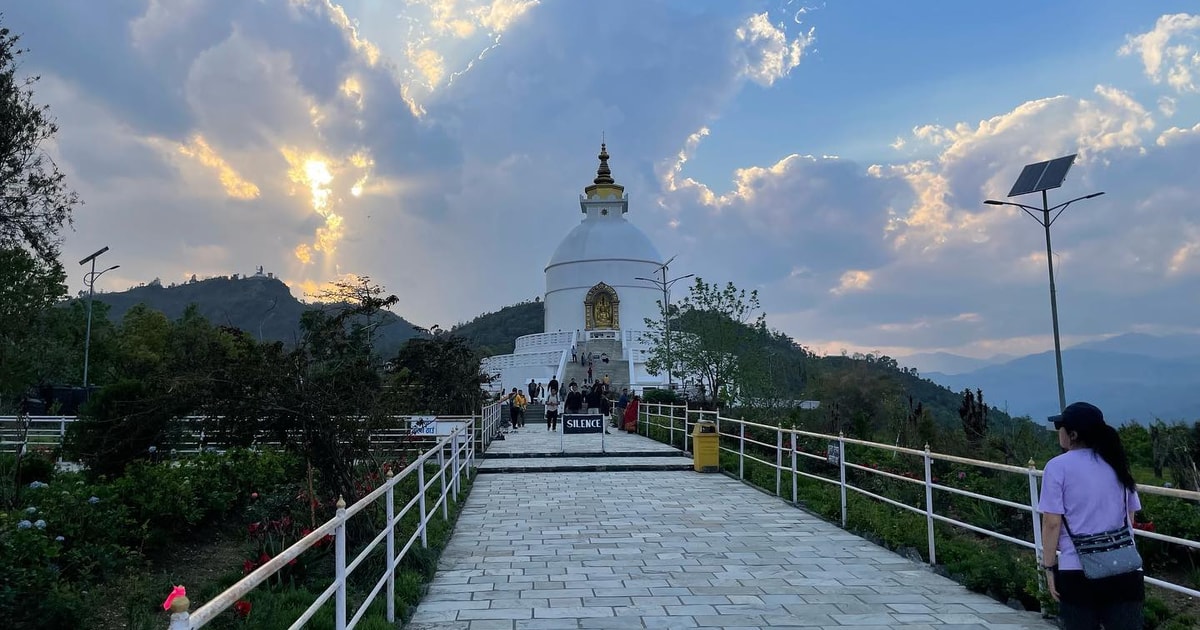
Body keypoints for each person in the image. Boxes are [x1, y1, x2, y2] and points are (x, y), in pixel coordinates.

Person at [1039, 402, 1144, 629]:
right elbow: (1130, 516)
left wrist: (1048, 567)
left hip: (1078, 570)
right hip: (1124, 567)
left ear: (1073, 434)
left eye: (1060, 426)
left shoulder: (1057, 467)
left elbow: (1051, 523)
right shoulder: (1116, 461)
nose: (1059, 431)